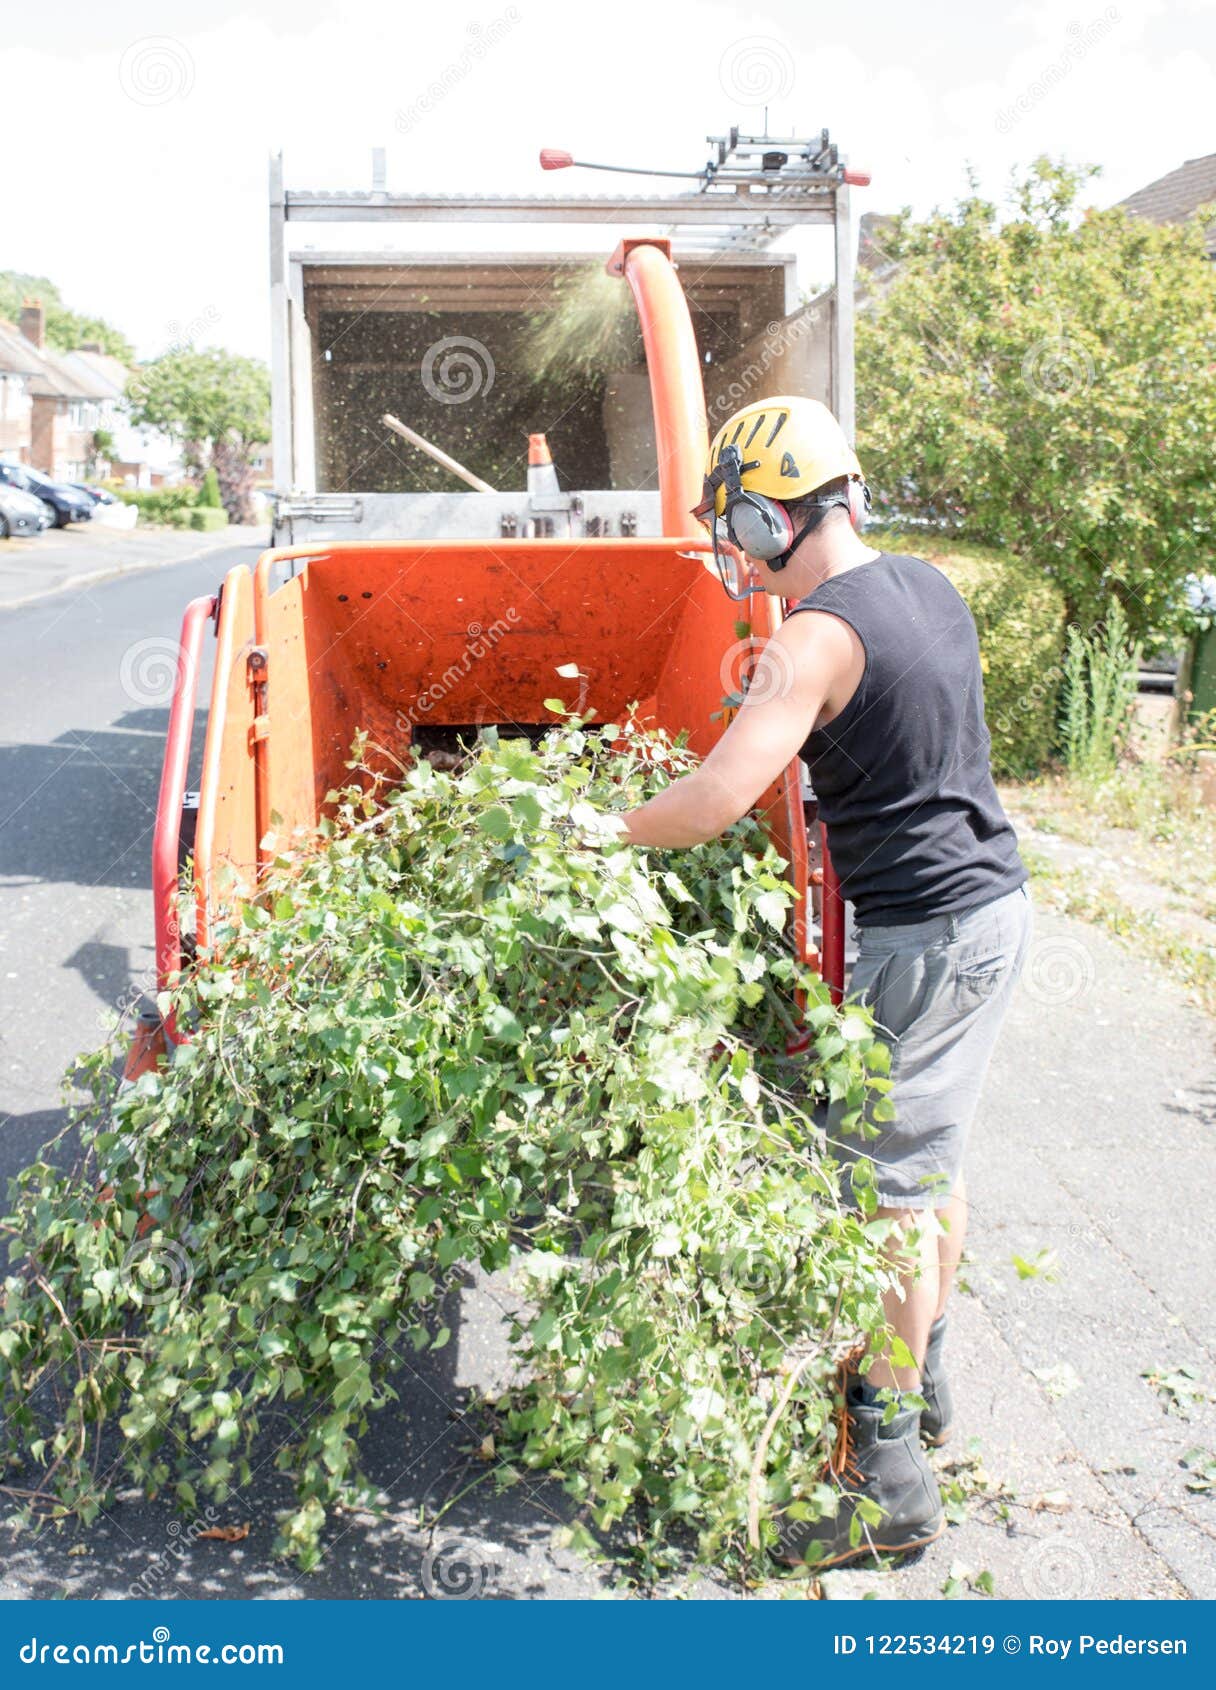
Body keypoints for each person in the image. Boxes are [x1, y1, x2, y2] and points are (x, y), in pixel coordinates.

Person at [616, 395, 1031, 1567]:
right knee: (930, 1162)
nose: (730, 547)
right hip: (993, 908)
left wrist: (598, 830)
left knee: (890, 1196)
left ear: (767, 511)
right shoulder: (928, 584)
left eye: (734, 522)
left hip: (924, 937)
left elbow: (711, 800)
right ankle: (926, 1375)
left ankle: (885, 1477)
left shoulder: (809, 639)